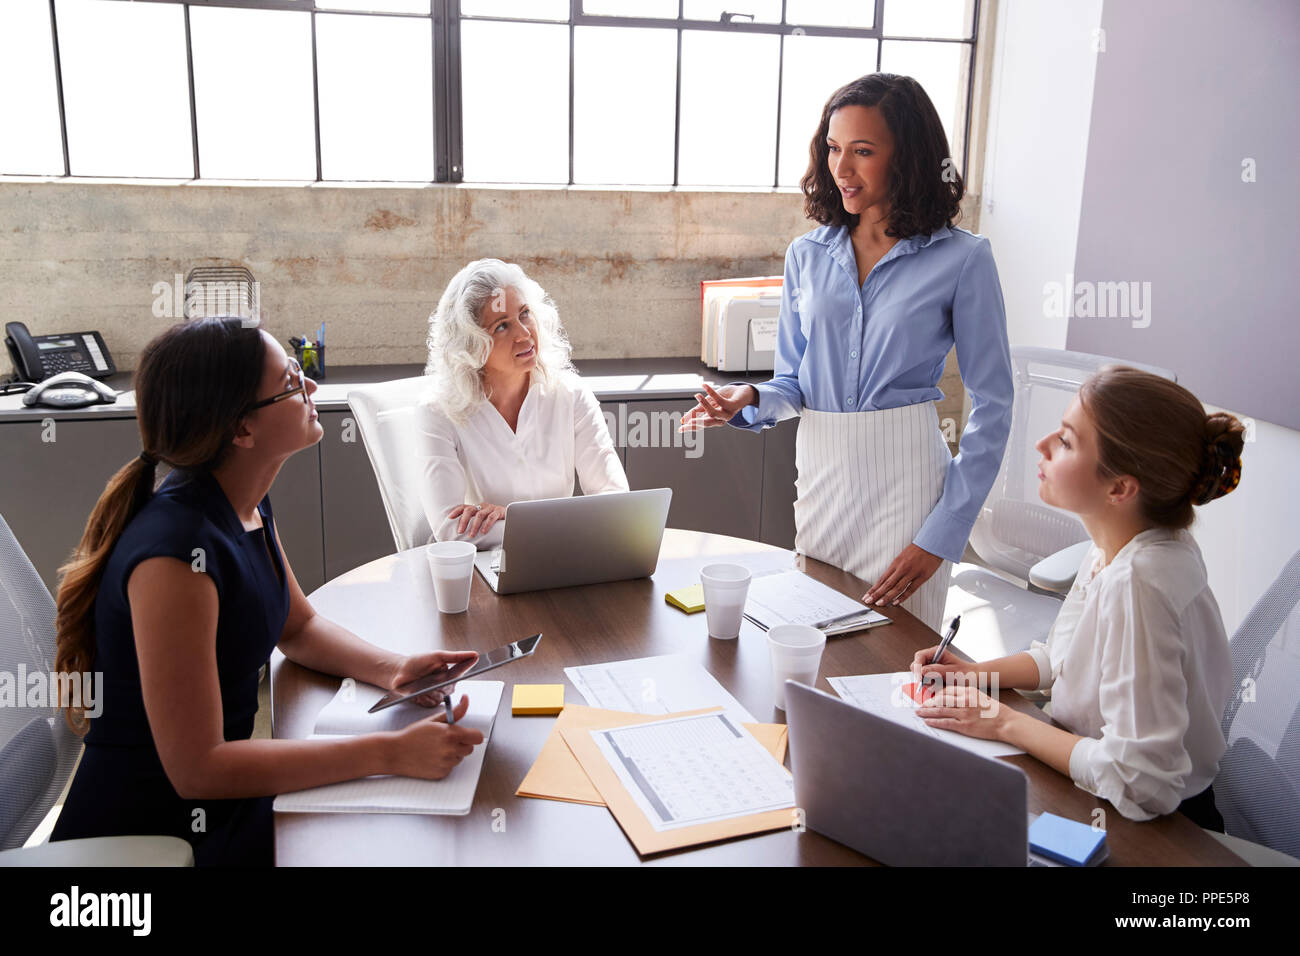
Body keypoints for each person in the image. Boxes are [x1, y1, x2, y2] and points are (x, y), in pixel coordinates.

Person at [50, 317, 484, 866]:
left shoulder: (241, 501)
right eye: (290, 382)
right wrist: (388, 752)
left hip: (223, 798)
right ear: (240, 431)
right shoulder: (175, 557)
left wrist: (392, 669)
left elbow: (297, 627)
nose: (312, 389)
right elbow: (197, 769)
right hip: (153, 838)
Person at [681, 74, 1013, 631]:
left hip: (907, 488)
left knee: (892, 677)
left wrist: (943, 533)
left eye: (863, 151)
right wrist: (750, 397)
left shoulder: (963, 259)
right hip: (821, 481)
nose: (842, 168)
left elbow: (995, 405)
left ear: (907, 157)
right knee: (808, 659)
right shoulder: (806, 255)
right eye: (833, 148)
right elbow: (793, 384)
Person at [911, 367, 1244, 827]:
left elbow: (1141, 782)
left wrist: (1002, 721)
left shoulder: (1140, 583)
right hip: (1091, 780)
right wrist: (974, 676)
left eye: (1066, 442)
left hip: (1160, 830)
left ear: (1120, 488)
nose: (1042, 445)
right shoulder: (1121, 542)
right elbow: (1060, 661)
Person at [416, 258, 628, 549]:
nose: (524, 333)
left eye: (525, 314)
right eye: (502, 326)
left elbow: (616, 503)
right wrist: (564, 523)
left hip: (564, 561)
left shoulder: (570, 393)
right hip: (483, 575)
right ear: (472, 345)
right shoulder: (439, 412)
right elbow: (451, 530)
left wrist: (515, 519)